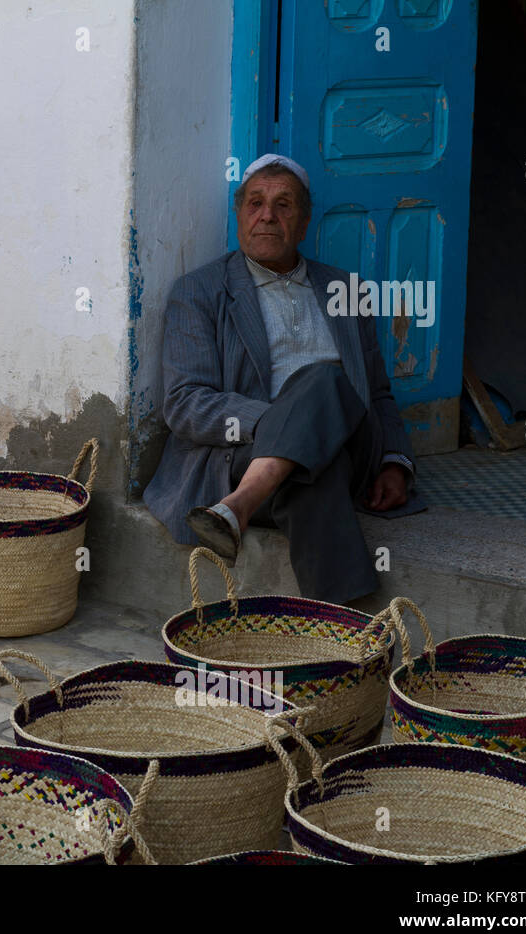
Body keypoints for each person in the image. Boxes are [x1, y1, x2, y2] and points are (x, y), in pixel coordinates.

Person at [142, 154, 418, 605]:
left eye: (284, 204)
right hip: (241, 453)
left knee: (324, 382)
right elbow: (185, 402)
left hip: (343, 444)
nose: (267, 215)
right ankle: (341, 626)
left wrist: (394, 461)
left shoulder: (346, 291)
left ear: (305, 222)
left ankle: (238, 506)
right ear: (239, 215)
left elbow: (379, 393)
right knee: (313, 473)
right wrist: (287, 425)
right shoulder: (199, 292)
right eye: (255, 203)